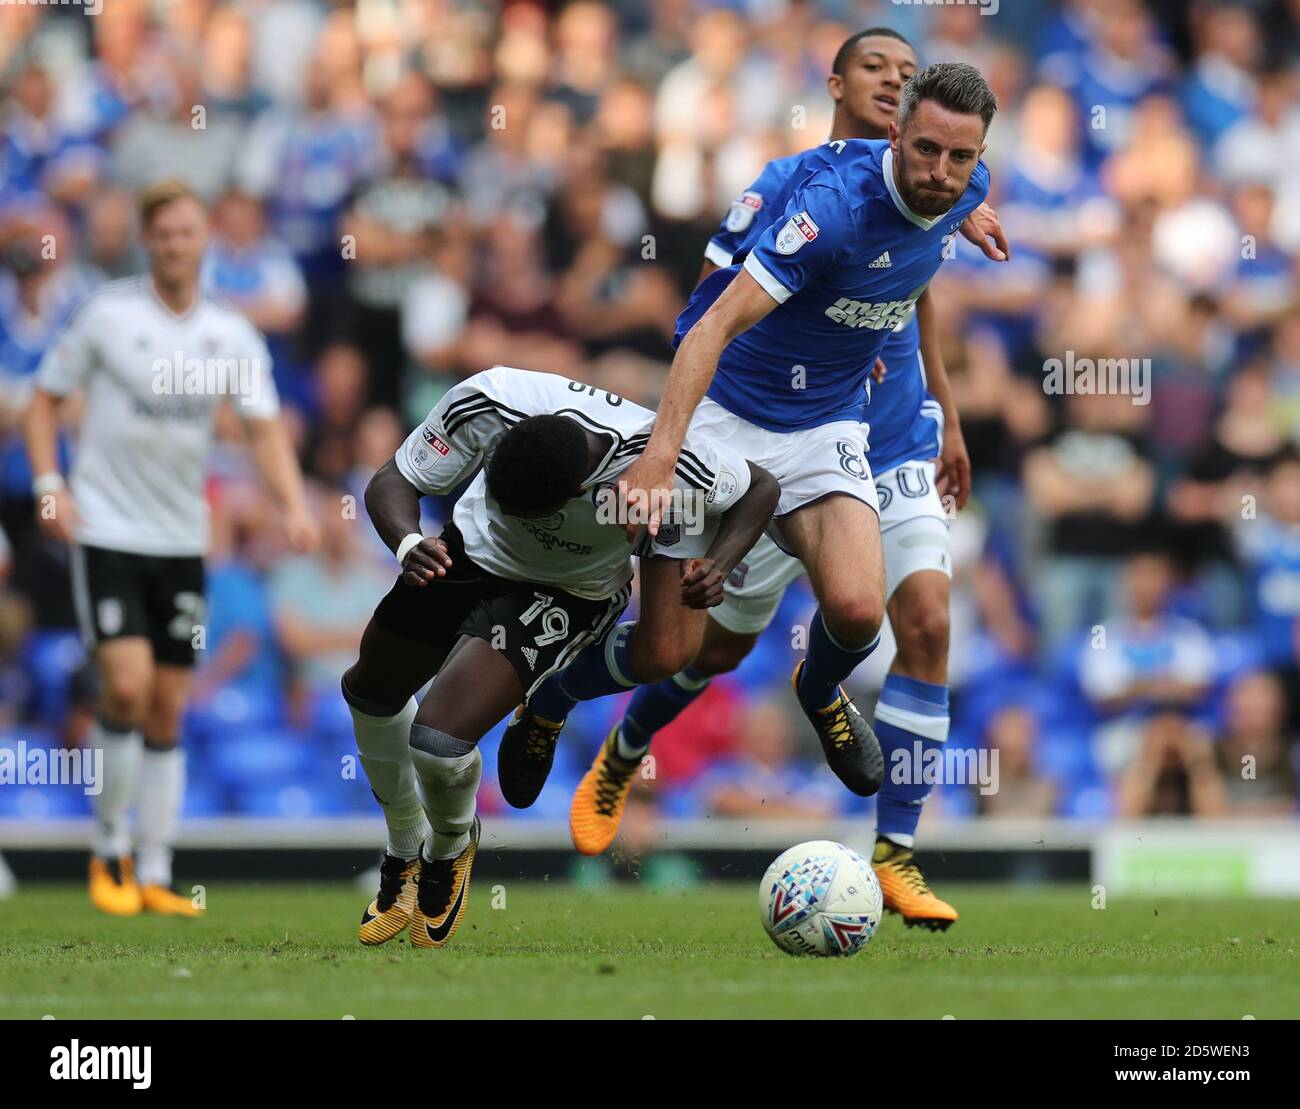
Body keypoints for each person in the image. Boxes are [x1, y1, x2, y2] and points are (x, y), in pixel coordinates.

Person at [510, 61, 997, 897]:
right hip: (730, 426)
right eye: (926, 150)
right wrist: (663, 453)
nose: (942, 173)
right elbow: (709, 320)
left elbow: (915, 283)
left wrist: (946, 411)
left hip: (836, 427)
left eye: (960, 159)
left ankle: (832, 715)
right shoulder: (816, 204)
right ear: (864, 106)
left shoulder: (957, 184)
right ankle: (561, 701)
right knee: (681, 649)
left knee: (863, 611)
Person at [341, 365, 778, 948]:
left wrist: (719, 564)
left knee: (438, 744)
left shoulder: (672, 467)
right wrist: (407, 541)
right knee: (369, 690)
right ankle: (401, 849)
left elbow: (761, 489)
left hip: (567, 592)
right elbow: (392, 481)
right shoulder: (490, 400)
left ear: (577, 493)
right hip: (464, 555)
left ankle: (447, 844)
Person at [23, 179, 318, 917]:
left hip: (182, 540)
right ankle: (107, 849)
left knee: (167, 703)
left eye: (189, 233)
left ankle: (154, 867)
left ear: (204, 239)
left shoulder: (230, 335)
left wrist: (290, 504)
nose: (177, 245)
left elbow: (262, 429)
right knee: (123, 685)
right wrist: (50, 483)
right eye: (165, 234)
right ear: (148, 241)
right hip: (109, 532)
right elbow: (42, 401)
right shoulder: (107, 317)